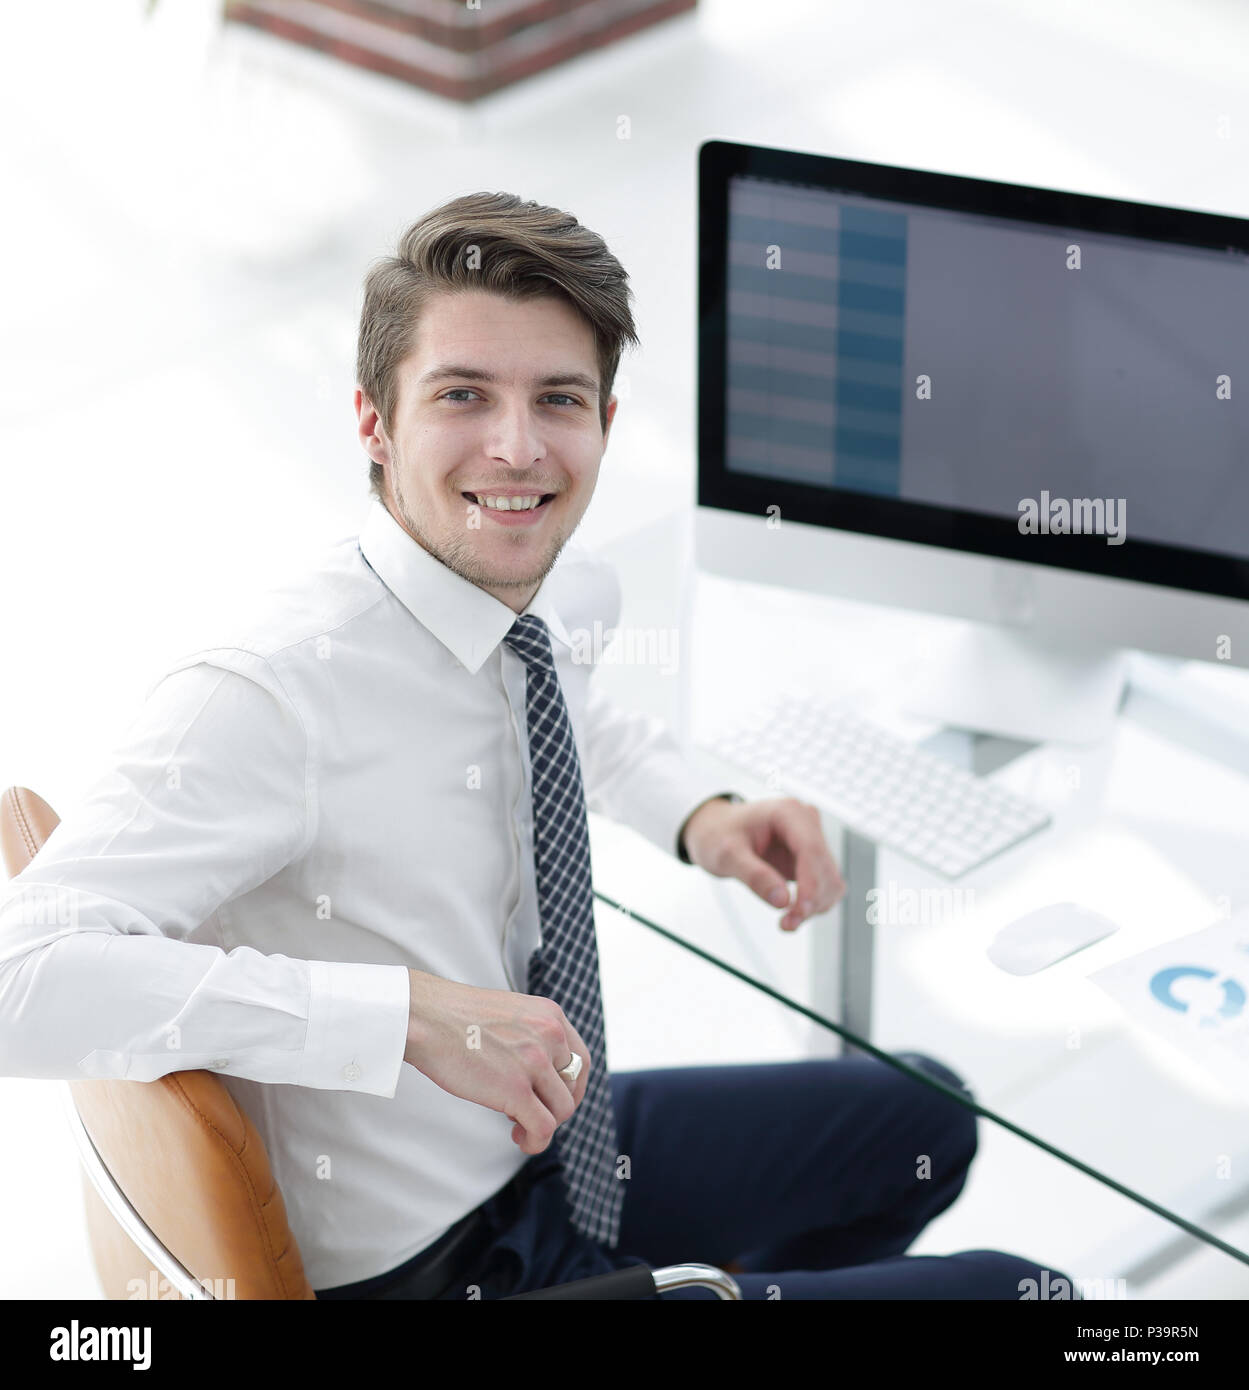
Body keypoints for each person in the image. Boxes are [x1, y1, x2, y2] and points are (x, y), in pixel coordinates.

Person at [0, 191, 1068, 1300]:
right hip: (422, 1268)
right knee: (1021, 1293)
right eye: (463, 395)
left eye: (557, 399)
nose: (517, 449)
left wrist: (699, 811)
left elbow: (566, 718)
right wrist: (406, 1015)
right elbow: (17, 978)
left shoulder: (552, 587)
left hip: (547, 1155)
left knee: (927, 1116)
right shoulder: (269, 697)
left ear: (605, 420)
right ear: (373, 420)